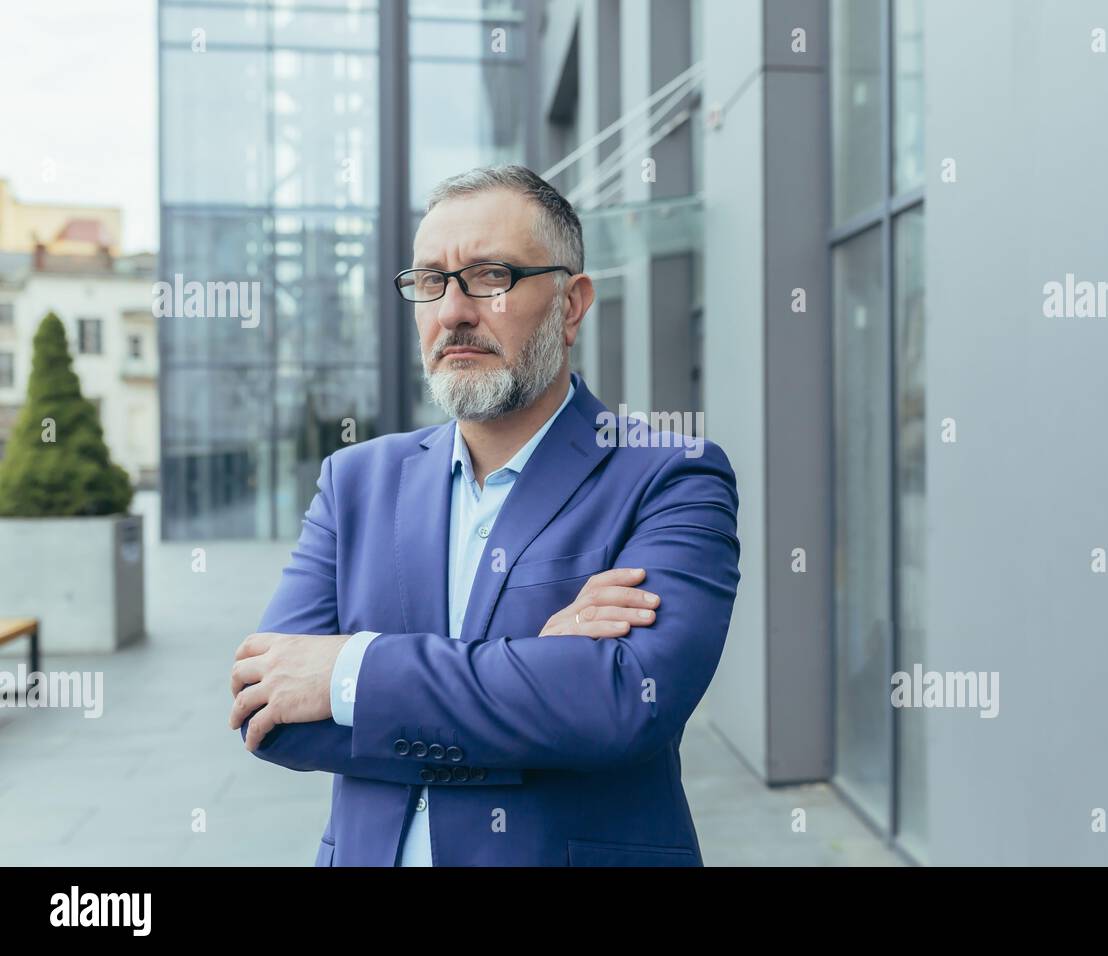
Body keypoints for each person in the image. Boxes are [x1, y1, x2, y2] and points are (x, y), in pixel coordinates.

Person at [228, 164, 741, 866]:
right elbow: (272, 713)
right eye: (430, 281)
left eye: (490, 276)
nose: (453, 312)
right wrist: (539, 670)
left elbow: (623, 707)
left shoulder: (669, 474)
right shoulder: (355, 482)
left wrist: (351, 674)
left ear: (571, 303)